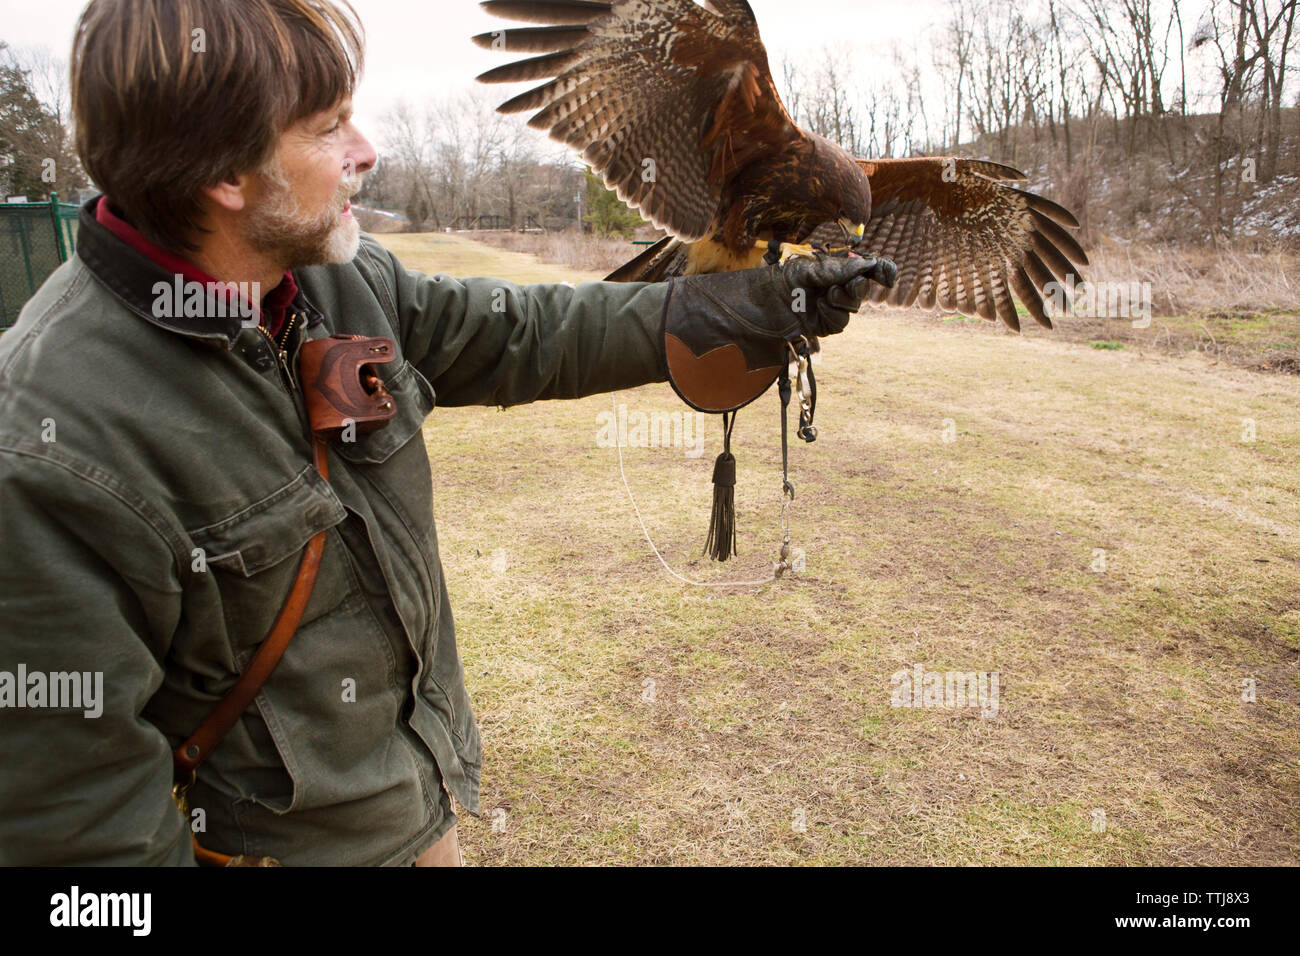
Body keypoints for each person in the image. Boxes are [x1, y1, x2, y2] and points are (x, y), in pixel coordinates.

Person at [0, 0, 892, 865]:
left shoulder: (333, 286)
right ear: (224, 176)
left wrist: (747, 304)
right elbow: (78, 832)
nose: (367, 151)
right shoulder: (50, 447)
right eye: (327, 127)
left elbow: (521, 333)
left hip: (417, 799)